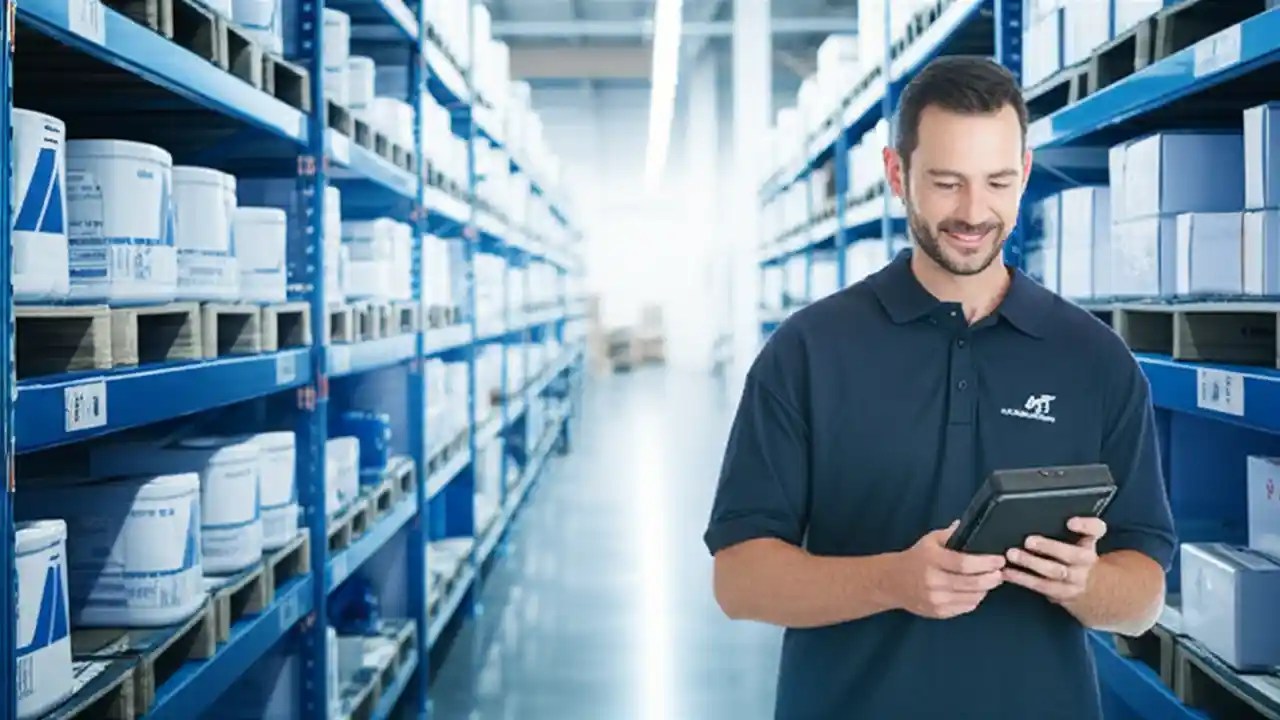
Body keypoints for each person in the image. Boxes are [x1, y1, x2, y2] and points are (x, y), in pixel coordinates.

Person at [704, 56, 1176, 720]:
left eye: (998, 182)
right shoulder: (809, 350)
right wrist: (892, 581)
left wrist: (1085, 583)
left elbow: (1143, 596)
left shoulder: (1095, 359)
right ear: (898, 174)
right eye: (947, 182)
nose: (974, 212)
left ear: (1026, 176)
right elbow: (739, 579)